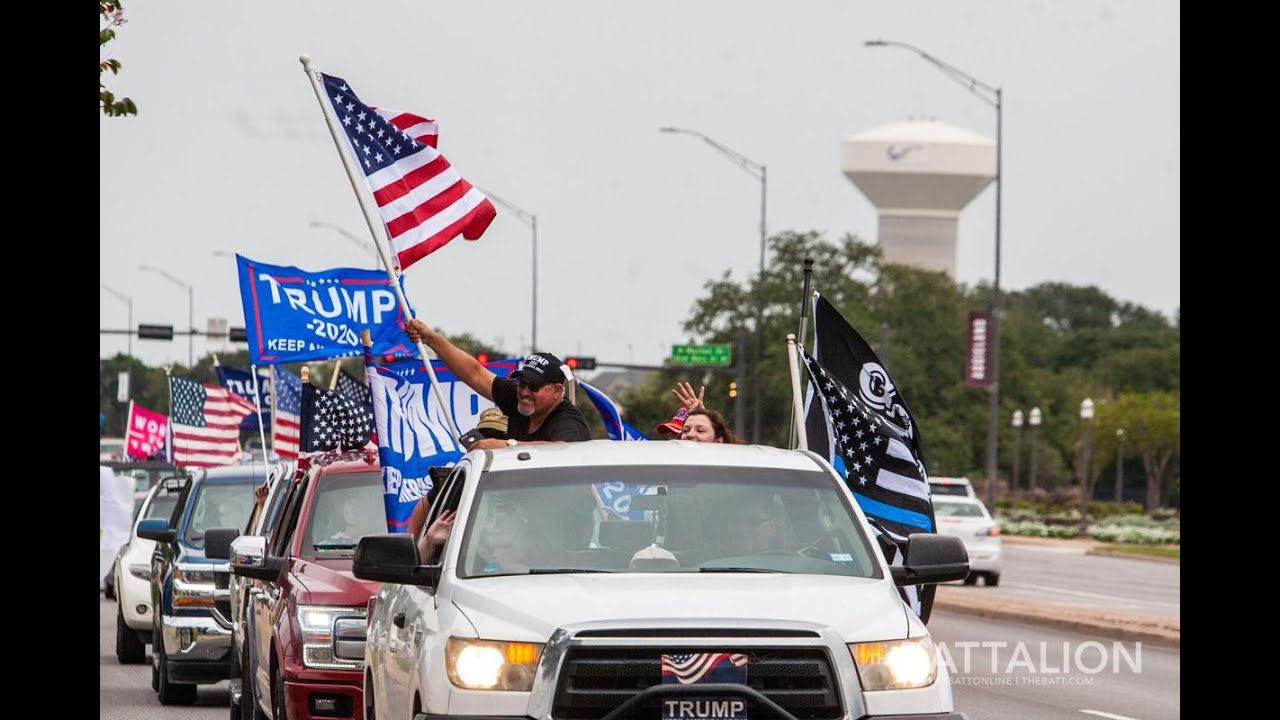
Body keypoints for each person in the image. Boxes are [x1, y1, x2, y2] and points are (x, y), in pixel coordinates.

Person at [405, 318, 591, 447]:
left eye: (533, 386)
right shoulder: (518, 397)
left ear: (557, 391)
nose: (525, 392)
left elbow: (560, 451)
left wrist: (505, 446)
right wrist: (430, 338)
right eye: (521, 383)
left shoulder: (568, 421)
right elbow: (474, 373)